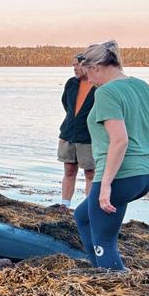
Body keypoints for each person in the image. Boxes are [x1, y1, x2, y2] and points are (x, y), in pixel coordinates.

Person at [73, 40, 149, 271]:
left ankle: (114, 281)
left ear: (96, 67)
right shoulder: (141, 86)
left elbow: (120, 140)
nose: (89, 80)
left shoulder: (106, 92)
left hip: (120, 175)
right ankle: (99, 272)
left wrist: (105, 185)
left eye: (88, 74)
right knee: (83, 217)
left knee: (104, 243)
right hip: (143, 175)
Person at [57, 53, 96, 208]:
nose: (75, 68)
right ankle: (65, 205)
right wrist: (72, 122)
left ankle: (89, 207)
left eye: (78, 65)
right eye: (73, 65)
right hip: (68, 133)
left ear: (88, 66)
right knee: (69, 170)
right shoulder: (71, 83)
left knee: (90, 173)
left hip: (88, 137)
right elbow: (66, 105)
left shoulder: (99, 86)